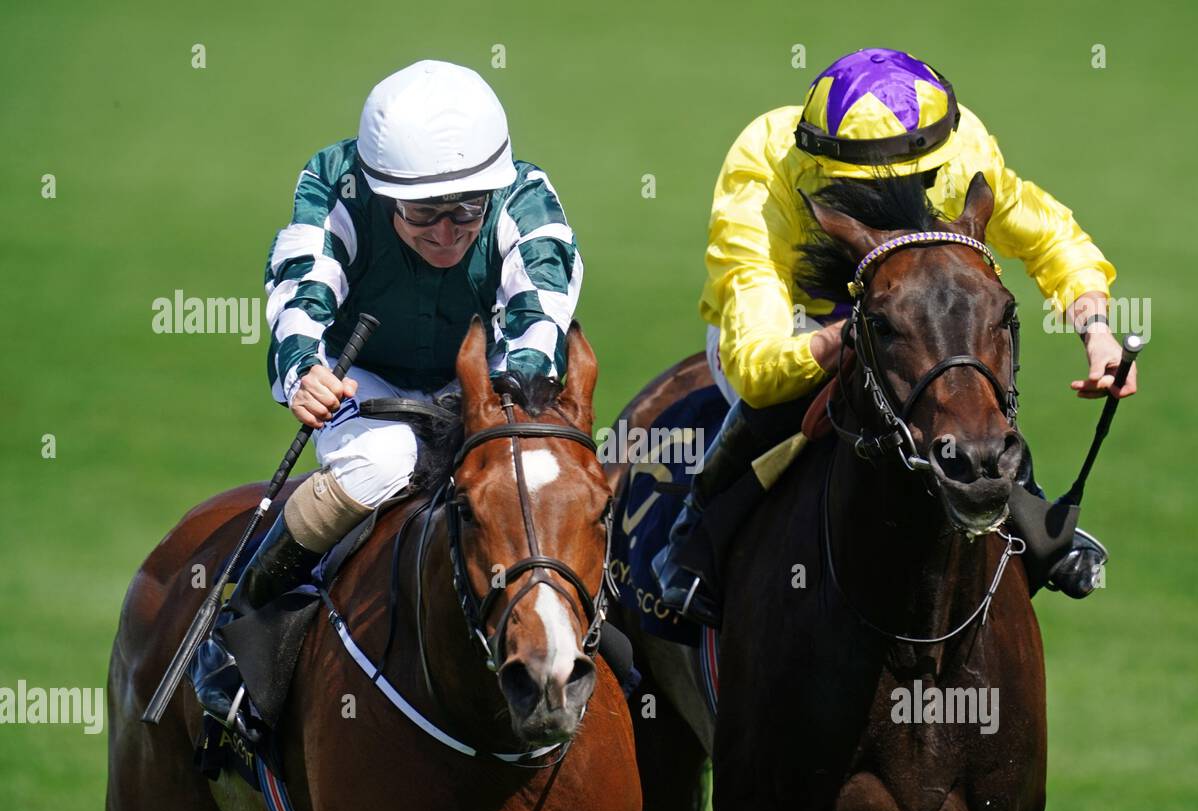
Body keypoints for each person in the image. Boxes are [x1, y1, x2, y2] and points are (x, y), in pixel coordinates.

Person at [654, 48, 1138, 627]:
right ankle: (696, 535)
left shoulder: (963, 151)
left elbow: (1049, 238)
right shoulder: (764, 168)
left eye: (913, 182)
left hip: (918, 309)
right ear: (821, 162)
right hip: (797, 320)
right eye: (865, 187)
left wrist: (1096, 328)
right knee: (778, 401)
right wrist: (851, 336)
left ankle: (1030, 512)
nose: (894, 196)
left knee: (962, 352)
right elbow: (756, 365)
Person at [191, 60, 583, 737]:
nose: (447, 231)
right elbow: (303, 281)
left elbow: (541, 306)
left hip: (488, 380)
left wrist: (503, 392)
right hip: (361, 378)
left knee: (547, 481)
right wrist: (303, 367)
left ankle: (615, 646)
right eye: (423, 212)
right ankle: (243, 623)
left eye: (466, 210)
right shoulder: (334, 181)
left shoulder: (525, 196)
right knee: (382, 464)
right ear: (382, 194)